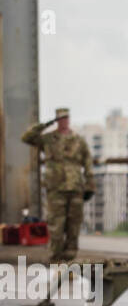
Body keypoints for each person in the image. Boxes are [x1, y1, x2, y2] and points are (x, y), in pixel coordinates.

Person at [21, 108, 95, 264]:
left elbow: (88, 162)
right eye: (60, 119)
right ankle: (56, 259)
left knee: (74, 223)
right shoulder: (48, 139)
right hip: (56, 188)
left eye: (66, 118)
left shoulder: (78, 140)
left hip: (75, 187)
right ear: (57, 120)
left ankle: (70, 258)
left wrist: (90, 184)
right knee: (56, 224)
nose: (64, 121)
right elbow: (27, 137)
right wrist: (45, 125)